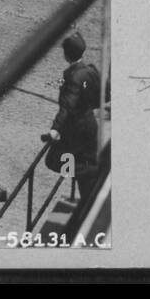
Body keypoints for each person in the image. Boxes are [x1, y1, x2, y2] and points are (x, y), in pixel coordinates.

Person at [42, 31, 102, 194]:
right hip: (90, 124)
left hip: (76, 130)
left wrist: (55, 129)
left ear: (66, 55)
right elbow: (104, 93)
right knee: (85, 174)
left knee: (53, 160)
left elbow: (67, 106)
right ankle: (89, 174)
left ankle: (90, 171)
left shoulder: (73, 77)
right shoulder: (91, 71)